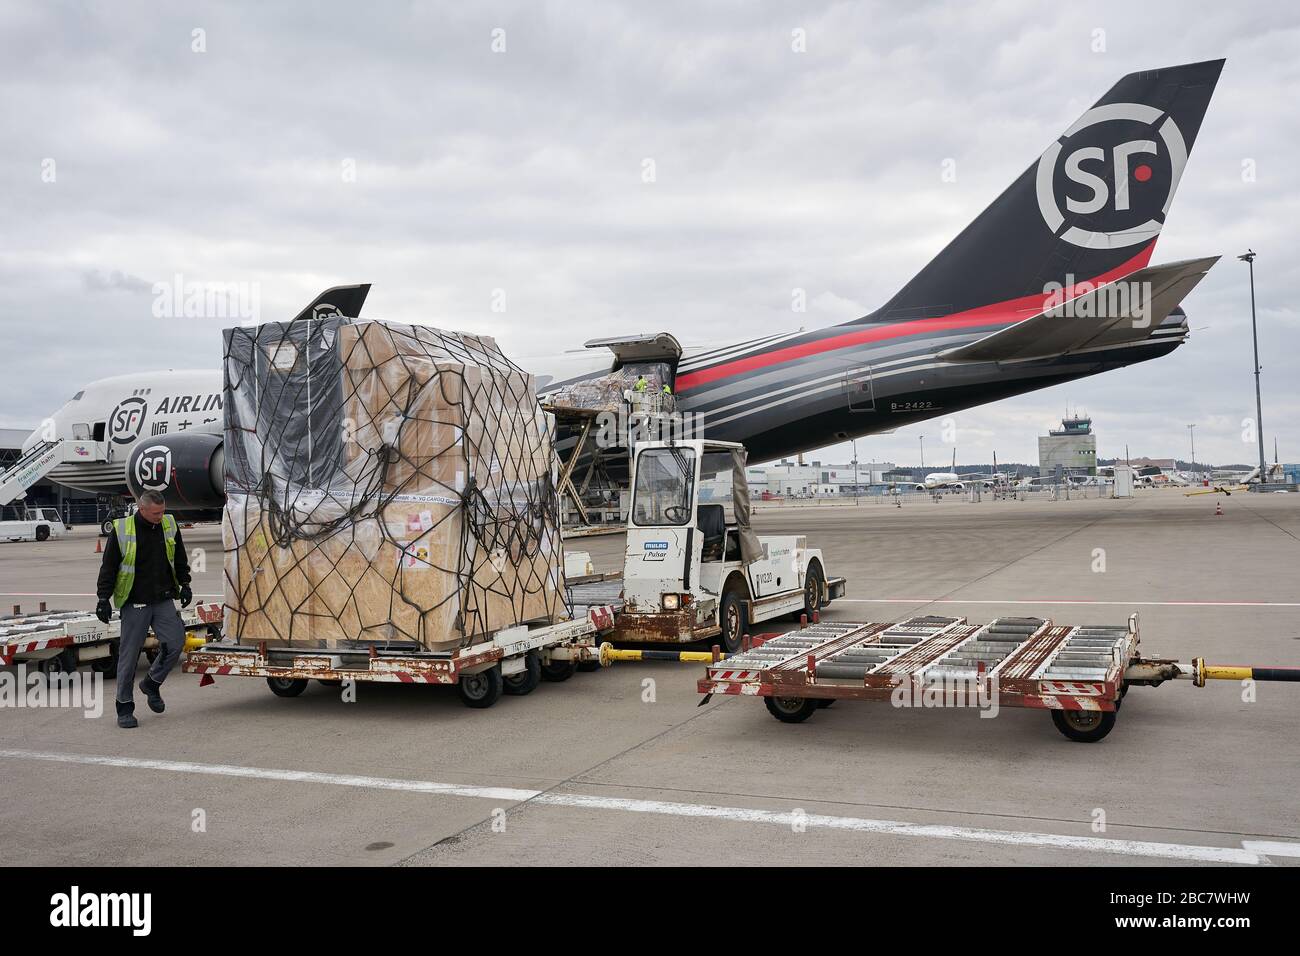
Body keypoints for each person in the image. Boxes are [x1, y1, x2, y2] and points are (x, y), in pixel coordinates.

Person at [95, 490, 192, 729]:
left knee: (175, 643)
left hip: (163, 598)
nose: (161, 516)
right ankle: (125, 707)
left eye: (162, 511)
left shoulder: (169, 524)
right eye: (156, 513)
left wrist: (186, 583)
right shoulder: (122, 530)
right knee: (129, 656)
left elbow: (179, 556)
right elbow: (108, 567)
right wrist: (103, 598)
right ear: (142, 509)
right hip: (135, 600)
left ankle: (151, 683)